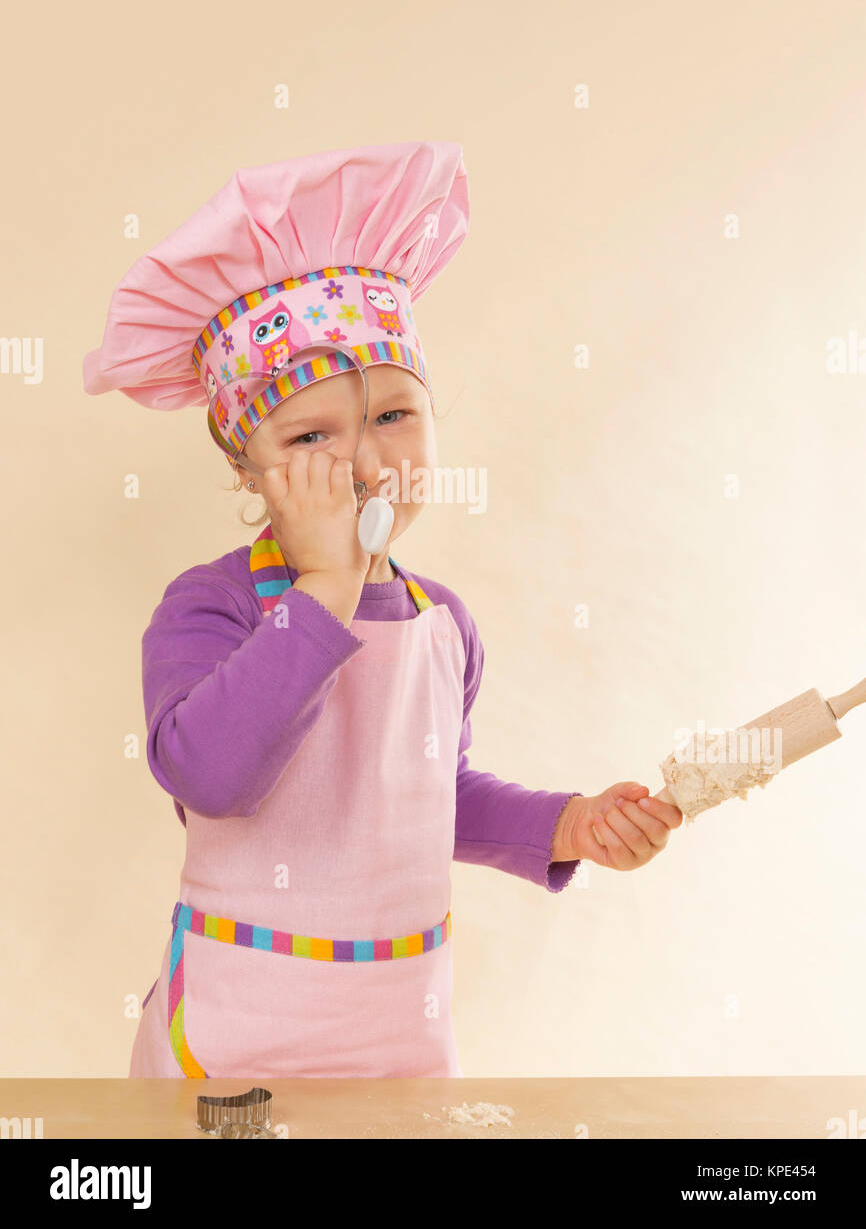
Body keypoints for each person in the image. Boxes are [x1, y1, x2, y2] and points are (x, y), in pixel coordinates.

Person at [83, 141, 682, 1079]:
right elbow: (211, 778)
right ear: (248, 467)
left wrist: (566, 825)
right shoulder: (211, 606)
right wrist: (322, 588)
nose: (365, 462)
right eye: (312, 434)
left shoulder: (441, 621)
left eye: (394, 416)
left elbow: (423, 803)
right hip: (238, 1032)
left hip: (397, 1035)